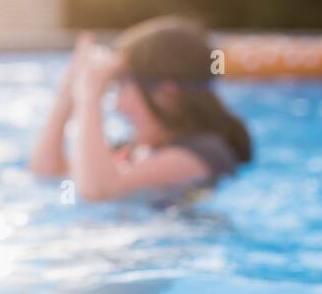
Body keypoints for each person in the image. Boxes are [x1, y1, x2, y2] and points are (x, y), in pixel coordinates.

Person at [30, 16, 251, 200]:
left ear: (166, 94)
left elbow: (98, 192)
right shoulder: (135, 150)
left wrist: (90, 97)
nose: (118, 105)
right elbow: (47, 172)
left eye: (123, 87)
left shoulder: (202, 155)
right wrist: (67, 93)